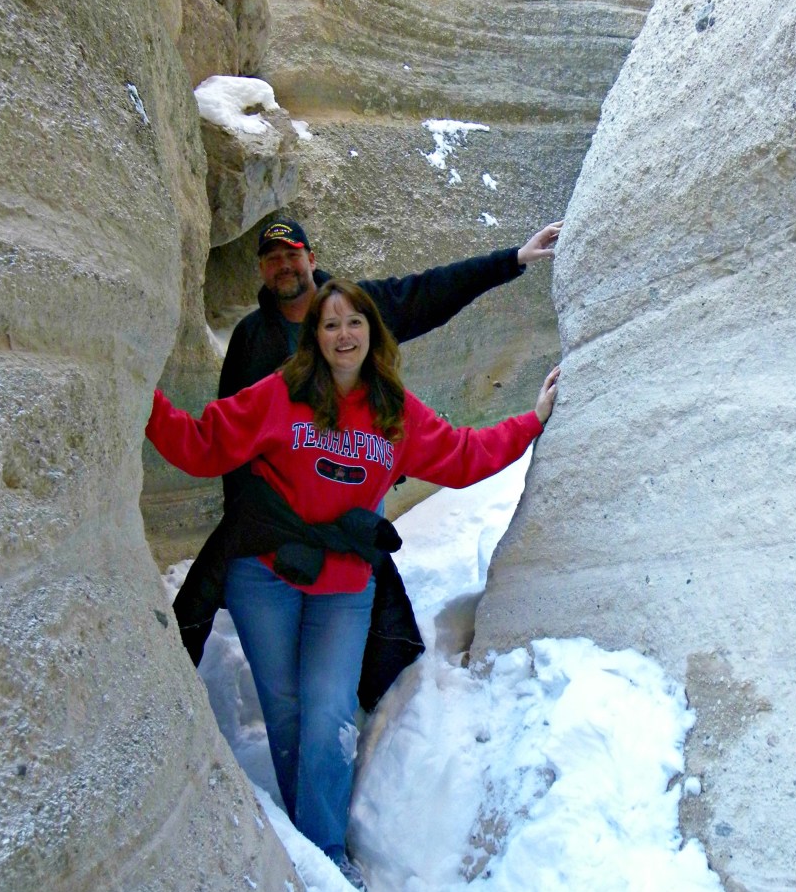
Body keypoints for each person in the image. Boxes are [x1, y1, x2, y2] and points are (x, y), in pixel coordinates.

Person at [147, 278, 560, 886]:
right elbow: (203, 446)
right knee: (286, 708)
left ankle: (322, 852)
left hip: (344, 584)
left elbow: (465, 455)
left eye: (354, 323)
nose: (343, 335)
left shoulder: (395, 413)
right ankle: (321, 853)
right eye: (330, 324)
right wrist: (138, 392)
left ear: (372, 333)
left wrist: (533, 419)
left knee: (330, 709)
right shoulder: (278, 396)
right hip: (265, 576)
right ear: (315, 335)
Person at [172, 214, 563, 707]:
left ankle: (379, 707)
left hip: (353, 496)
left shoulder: (355, 310)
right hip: (274, 507)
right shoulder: (253, 338)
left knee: (381, 608)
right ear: (262, 272)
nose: (284, 267)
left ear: (311, 260)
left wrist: (513, 260)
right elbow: (228, 430)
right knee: (197, 597)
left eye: (292, 256)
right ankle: (165, 696)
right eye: (272, 260)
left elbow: (428, 293)